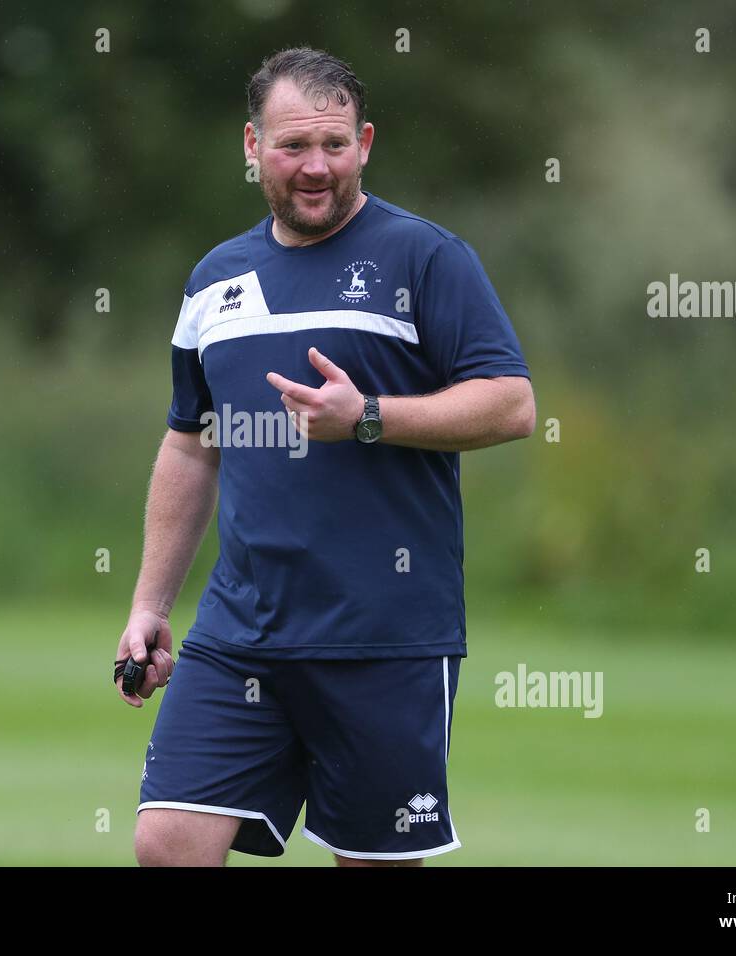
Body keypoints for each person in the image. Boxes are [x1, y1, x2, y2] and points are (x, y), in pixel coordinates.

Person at [115, 46, 535, 866]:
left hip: (385, 636)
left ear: (365, 142)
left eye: (334, 145)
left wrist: (368, 417)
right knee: (166, 844)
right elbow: (191, 447)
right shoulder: (214, 283)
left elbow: (513, 405)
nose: (316, 167)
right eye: (293, 146)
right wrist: (149, 604)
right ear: (250, 146)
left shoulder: (426, 258)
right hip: (242, 630)